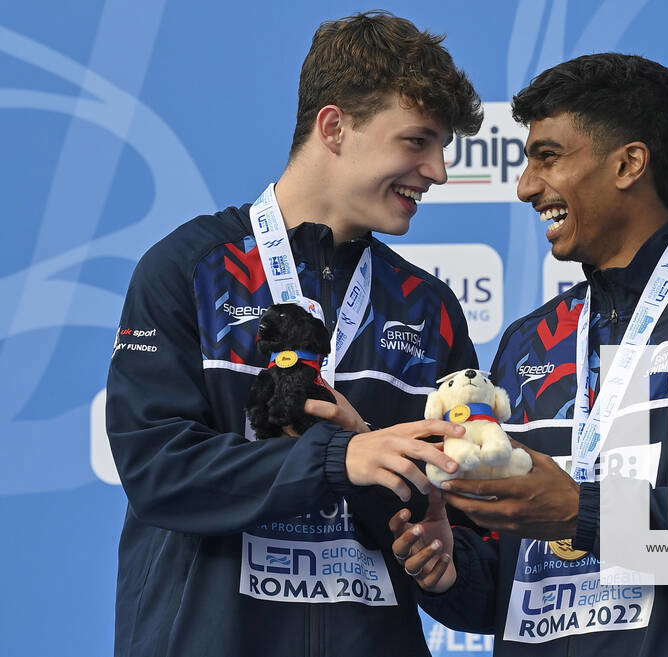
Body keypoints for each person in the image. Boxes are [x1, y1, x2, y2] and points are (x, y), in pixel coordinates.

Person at [389, 53, 668, 656]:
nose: (526, 186)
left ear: (628, 164)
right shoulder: (528, 340)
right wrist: (449, 568)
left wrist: (579, 511)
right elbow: (510, 586)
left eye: (548, 157)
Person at [106, 12, 483, 657]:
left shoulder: (431, 309)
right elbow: (156, 468)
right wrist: (338, 459)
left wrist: (433, 541)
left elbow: (461, 538)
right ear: (334, 127)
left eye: (442, 148)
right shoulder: (190, 268)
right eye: (417, 142)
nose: (439, 172)